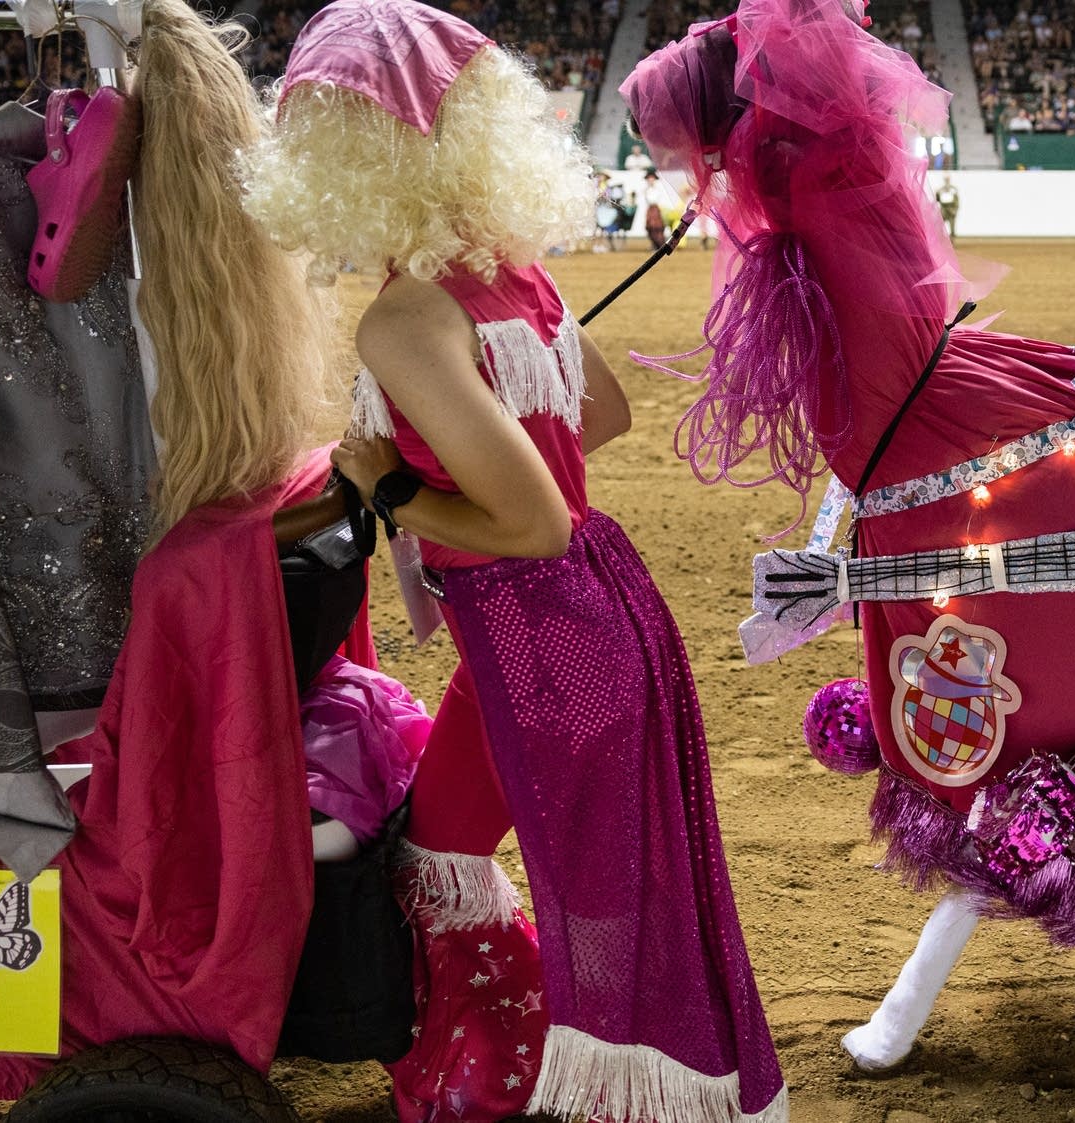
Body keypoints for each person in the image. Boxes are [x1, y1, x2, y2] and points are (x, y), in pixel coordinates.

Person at [242, 2, 787, 1119]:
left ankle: (490, 1075)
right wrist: (464, 455)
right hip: (604, 614)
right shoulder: (513, 273)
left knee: (451, 868)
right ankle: (577, 1074)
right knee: (592, 893)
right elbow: (604, 418)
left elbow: (528, 523)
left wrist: (394, 481)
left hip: (538, 639)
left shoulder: (405, 317)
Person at [934, 173, 960, 240]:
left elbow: (957, 201)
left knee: (952, 227)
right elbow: (937, 200)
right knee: (939, 225)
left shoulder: (953, 189)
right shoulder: (941, 190)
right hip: (944, 209)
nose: (947, 180)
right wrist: (936, 193)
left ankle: (952, 241)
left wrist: (955, 210)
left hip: (951, 209)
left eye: (947, 179)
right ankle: (941, 239)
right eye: (946, 179)